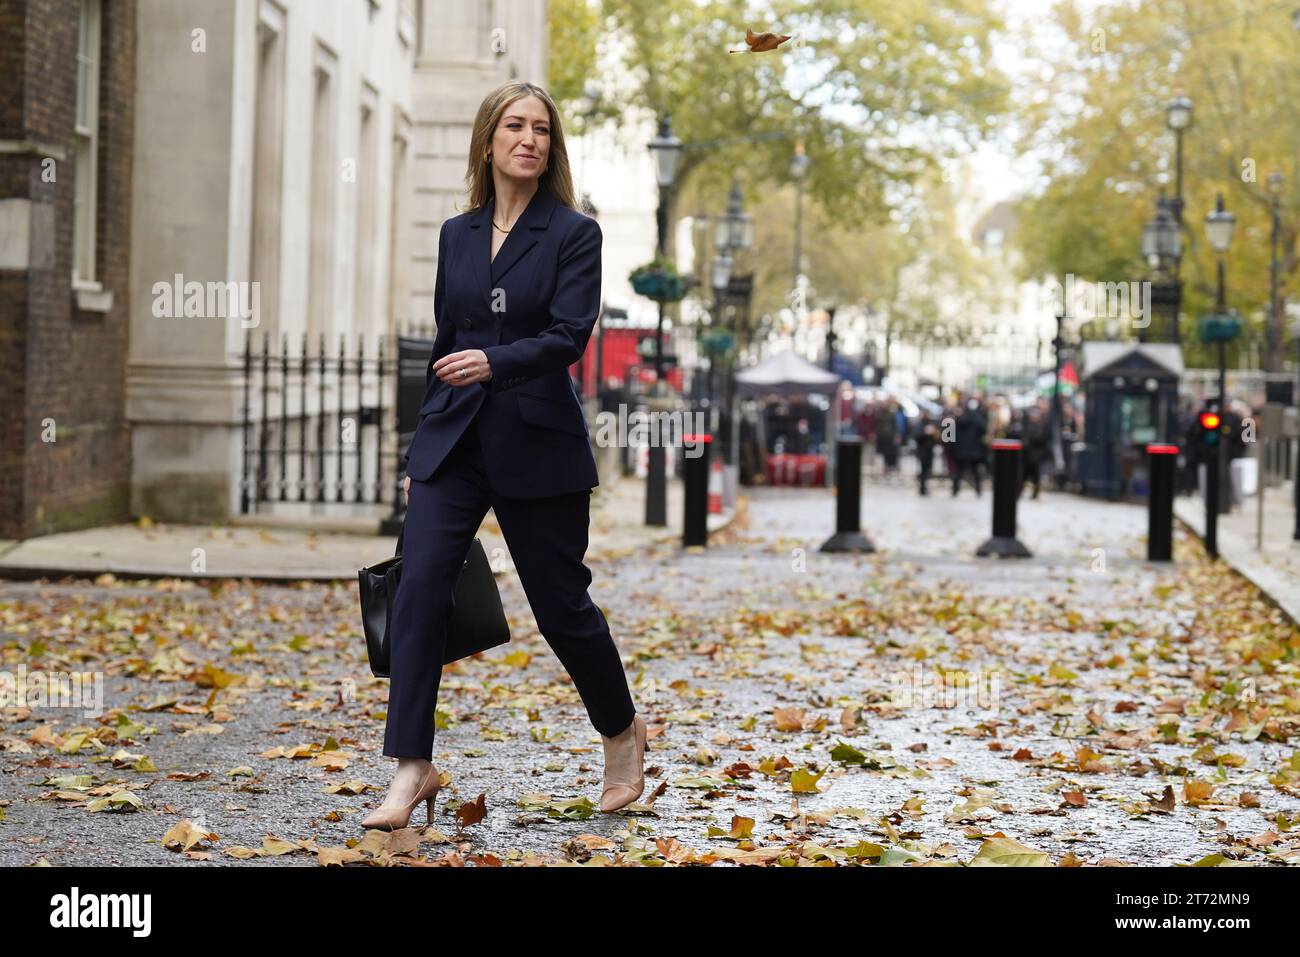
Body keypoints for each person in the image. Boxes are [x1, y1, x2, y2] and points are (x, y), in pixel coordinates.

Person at [368, 81, 646, 831]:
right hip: (453, 441)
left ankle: (621, 733)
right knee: (419, 587)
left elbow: (567, 336)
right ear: (488, 140)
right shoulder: (456, 234)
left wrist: (496, 362)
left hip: (536, 441)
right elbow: (445, 342)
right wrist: (422, 446)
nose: (528, 138)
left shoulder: (573, 234)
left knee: (560, 604)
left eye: (542, 130)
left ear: (552, 149)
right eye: (514, 126)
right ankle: (410, 766)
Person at [952, 398, 987, 496]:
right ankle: (978, 491)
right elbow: (983, 430)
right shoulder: (978, 418)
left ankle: (955, 490)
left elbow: (950, 433)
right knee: (975, 472)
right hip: (974, 450)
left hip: (961, 449)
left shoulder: (958, 418)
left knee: (958, 471)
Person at [914, 414, 938, 495]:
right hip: (922, 451)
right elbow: (916, 436)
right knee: (923, 470)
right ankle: (922, 488)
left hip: (929, 450)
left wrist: (933, 433)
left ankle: (925, 487)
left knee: (928, 470)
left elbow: (936, 439)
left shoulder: (932, 424)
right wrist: (925, 432)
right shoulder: (919, 424)